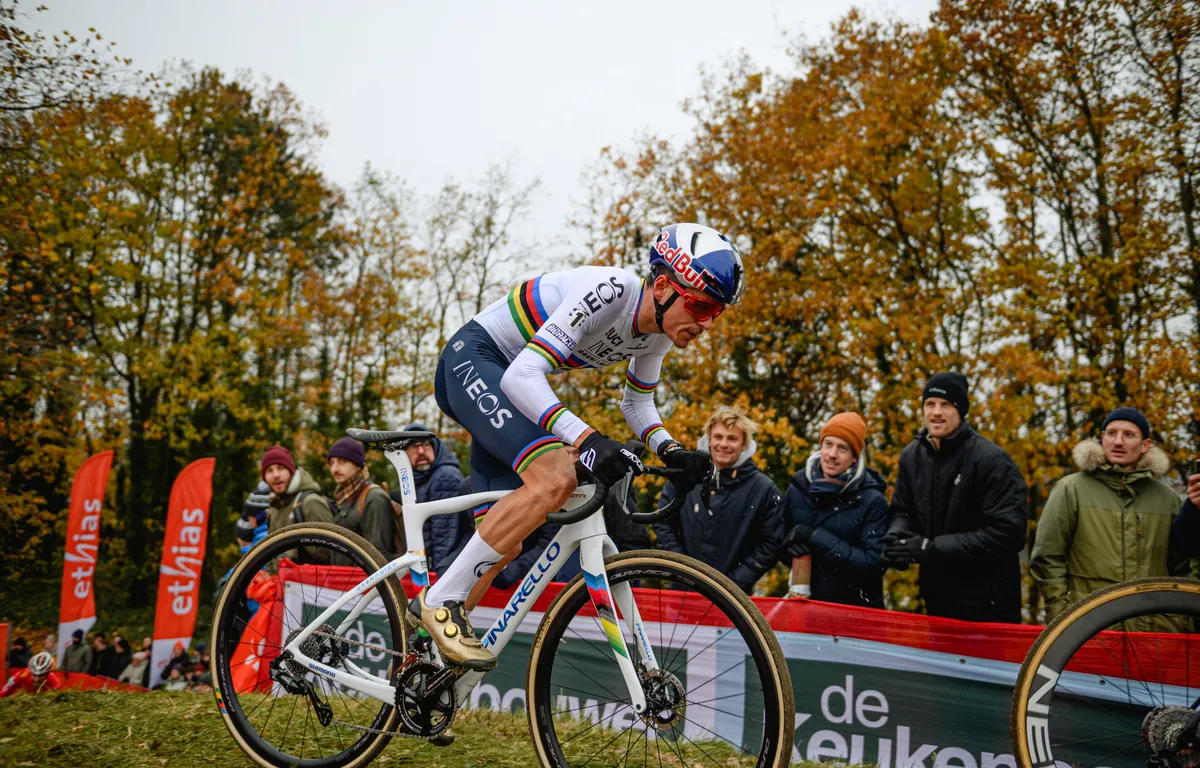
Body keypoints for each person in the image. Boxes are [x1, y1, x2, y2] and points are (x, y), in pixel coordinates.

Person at [414, 223, 743, 671]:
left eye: (717, 313)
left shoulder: (660, 331)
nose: (705, 324)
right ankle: (441, 601)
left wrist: (670, 449)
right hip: (476, 360)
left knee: (505, 539)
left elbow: (637, 401)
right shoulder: (612, 291)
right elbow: (522, 376)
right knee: (556, 477)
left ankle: (419, 665)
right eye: (701, 305)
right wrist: (587, 439)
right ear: (664, 285)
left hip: (508, 385)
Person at [881, 372, 1027, 623]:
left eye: (945, 405)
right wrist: (897, 539)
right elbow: (902, 510)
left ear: (960, 410)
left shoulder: (992, 461)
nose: (936, 412)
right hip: (937, 599)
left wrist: (930, 548)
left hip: (989, 604)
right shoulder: (912, 456)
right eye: (930, 404)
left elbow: (1008, 534)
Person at [1032, 408, 1189, 629]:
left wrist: (1180, 619)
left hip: (1154, 628)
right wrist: (1063, 614)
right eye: (1111, 433)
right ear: (1101, 438)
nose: (1118, 441)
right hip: (1088, 627)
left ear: (1145, 445)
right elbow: (1047, 558)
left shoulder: (1167, 498)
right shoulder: (1071, 489)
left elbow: (1181, 566)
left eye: (1128, 435)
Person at [653, 406, 785, 595]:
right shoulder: (683, 478)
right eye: (718, 437)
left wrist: (733, 583)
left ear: (744, 444)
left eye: (732, 438)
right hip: (681, 594)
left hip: (734, 601)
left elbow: (772, 542)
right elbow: (663, 523)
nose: (723, 444)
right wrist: (682, 570)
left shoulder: (763, 490)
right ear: (708, 439)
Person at [778, 412, 888, 607]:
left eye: (842, 448)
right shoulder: (798, 487)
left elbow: (872, 564)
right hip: (803, 607)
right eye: (828, 444)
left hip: (854, 612)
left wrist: (815, 538)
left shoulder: (873, 500)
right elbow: (779, 540)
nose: (832, 454)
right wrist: (787, 548)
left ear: (854, 457)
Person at [390, 423, 469, 574]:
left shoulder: (444, 476)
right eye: (413, 446)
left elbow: (445, 537)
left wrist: (436, 579)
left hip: (444, 568)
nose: (420, 451)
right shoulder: (415, 479)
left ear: (435, 447)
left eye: (425, 444)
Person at [327, 437, 396, 564]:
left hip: (364, 581)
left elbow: (379, 555)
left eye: (342, 461)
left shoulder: (374, 497)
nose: (334, 469)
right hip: (344, 580)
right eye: (331, 463)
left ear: (358, 465)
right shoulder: (344, 499)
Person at [261, 445, 335, 563]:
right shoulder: (274, 509)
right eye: (269, 470)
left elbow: (332, 553)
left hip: (314, 579)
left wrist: (295, 549)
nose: (276, 475)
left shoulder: (310, 502)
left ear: (291, 471)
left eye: (281, 468)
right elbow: (271, 556)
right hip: (285, 580)